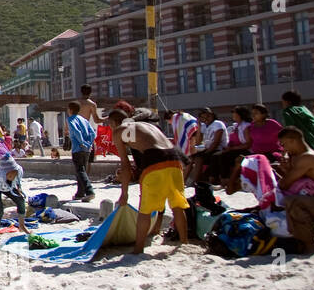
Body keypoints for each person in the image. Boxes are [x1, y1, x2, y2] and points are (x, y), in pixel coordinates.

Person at [108, 106, 190, 254]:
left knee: (145, 209)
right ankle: (184, 242)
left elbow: (125, 167)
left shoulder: (119, 131)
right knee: (177, 205)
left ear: (114, 122)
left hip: (154, 159)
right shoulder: (147, 125)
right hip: (175, 158)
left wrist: (124, 193)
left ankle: (138, 249)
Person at [276, 127, 314, 253]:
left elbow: (284, 184)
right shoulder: (307, 156)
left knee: (293, 202)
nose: (284, 149)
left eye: (284, 144)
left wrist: (285, 170)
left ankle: (309, 245)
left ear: (293, 140)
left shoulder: (307, 158)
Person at [185, 107, 227, 187]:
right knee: (190, 158)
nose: (206, 119)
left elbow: (216, 142)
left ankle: (195, 182)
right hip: (208, 149)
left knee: (199, 158)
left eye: (208, 116)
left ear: (212, 115)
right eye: (203, 117)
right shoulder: (204, 126)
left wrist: (206, 152)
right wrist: (199, 127)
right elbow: (198, 142)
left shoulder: (218, 124)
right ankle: (184, 180)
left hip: (218, 149)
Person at [65, 101, 96, 202]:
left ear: (70, 110)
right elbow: (92, 133)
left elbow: (76, 131)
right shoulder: (84, 119)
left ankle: (89, 191)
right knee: (82, 170)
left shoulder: (70, 119)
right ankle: (80, 193)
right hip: (87, 149)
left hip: (78, 148)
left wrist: (82, 142)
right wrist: (89, 144)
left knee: (80, 170)